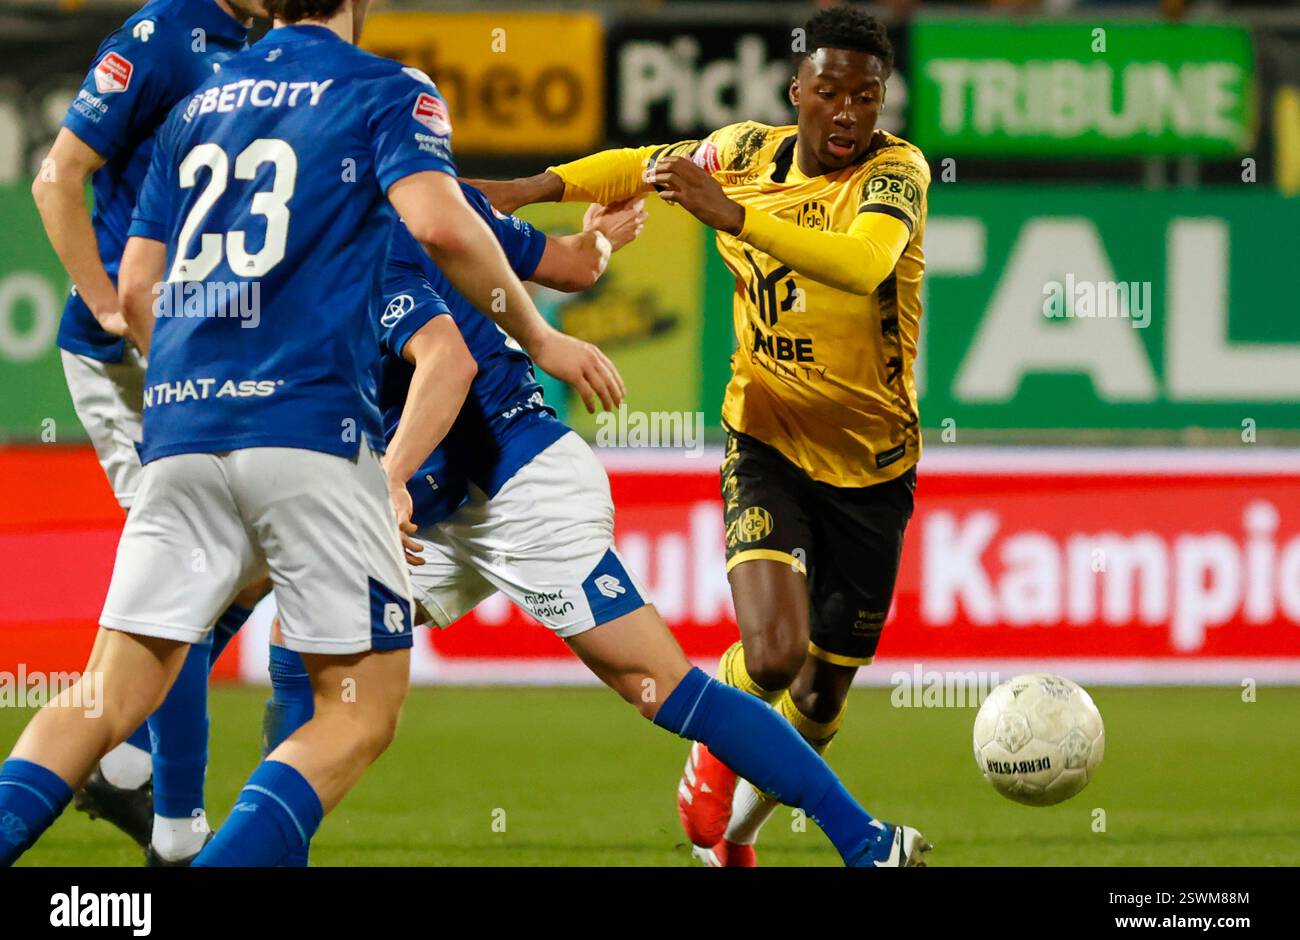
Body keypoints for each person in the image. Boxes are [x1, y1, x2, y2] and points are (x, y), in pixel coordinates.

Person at [0, 0, 620, 868]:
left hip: (181, 423)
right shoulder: (386, 88)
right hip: (308, 429)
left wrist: (194, 378)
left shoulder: (203, 99)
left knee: (105, 695)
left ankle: (154, 824)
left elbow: (137, 285)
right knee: (358, 711)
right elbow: (443, 224)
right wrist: (542, 337)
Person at [263, 180, 930, 868]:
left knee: (662, 687)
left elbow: (448, 364)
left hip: (523, 486)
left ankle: (866, 842)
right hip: (440, 503)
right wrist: (601, 239)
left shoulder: (368, 242)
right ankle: (273, 854)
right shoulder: (441, 206)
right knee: (301, 626)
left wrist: (389, 478)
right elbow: (576, 264)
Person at [470, 5, 928, 866]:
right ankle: (716, 744)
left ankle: (732, 840)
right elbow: (641, 165)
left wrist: (736, 218)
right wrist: (531, 190)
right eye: (829, 92)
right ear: (796, 91)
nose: (847, 113)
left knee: (823, 697)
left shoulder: (895, 174)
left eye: (866, 97)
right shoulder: (742, 153)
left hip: (874, 465)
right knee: (775, 653)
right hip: (767, 438)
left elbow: (864, 262)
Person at [30, 0, 273, 864]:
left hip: (207, 347)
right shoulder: (161, 36)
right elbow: (57, 176)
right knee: (194, 570)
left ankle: (126, 760)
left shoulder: (264, 43)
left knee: (252, 560)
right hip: (129, 363)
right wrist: (107, 305)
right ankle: (178, 831)